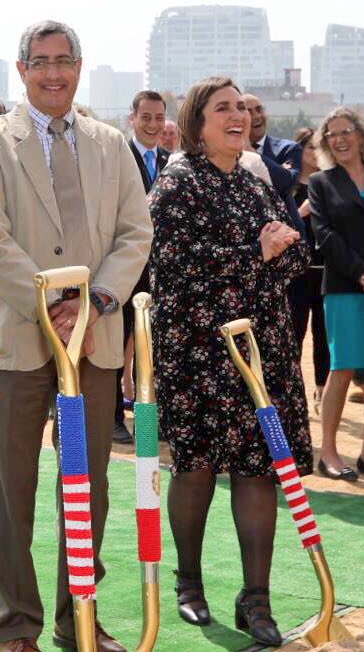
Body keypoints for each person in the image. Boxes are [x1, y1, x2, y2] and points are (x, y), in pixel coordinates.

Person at [0, 20, 151, 652]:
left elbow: (136, 233)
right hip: (18, 339)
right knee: (10, 492)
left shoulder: (111, 143)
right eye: (40, 61)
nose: (53, 72)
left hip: (93, 342)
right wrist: (52, 301)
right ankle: (16, 627)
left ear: (79, 66)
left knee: (88, 487)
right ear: (21, 70)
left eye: (63, 60)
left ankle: (81, 618)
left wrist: (95, 302)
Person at [148, 76, 309, 648]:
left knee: (258, 468)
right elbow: (173, 268)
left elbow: (295, 252)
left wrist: (280, 249)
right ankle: (188, 584)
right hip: (199, 353)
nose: (238, 115)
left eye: (241, 107)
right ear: (197, 121)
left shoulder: (256, 183)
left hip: (261, 350)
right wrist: (255, 252)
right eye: (224, 108)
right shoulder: (177, 184)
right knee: (195, 470)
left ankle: (255, 598)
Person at [307, 107, 364, 483]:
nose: (339, 139)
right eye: (331, 134)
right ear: (325, 142)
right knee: (341, 368)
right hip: (346, 288)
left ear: (360, 135)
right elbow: (324, 236)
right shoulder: (320, 182)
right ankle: (328, 451)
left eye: (346, 131)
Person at [116, 89, 169, 442]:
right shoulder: (117, 156)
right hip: (124, 268)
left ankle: (155, 422)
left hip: (162, 271)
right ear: (132, 118)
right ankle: (113, 420)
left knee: (157, 347)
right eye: (145, 117)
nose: (152, 124)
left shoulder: (173, 161)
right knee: (117, 344)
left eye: (158, 117)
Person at [288, 128, 331, 413]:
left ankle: (322, 392)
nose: (316, 154)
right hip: (297, 274)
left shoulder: (329, 185)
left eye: (320, 148)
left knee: (324, 337)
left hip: (328, 272)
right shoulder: (288, 186)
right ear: (299, 151)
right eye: (310, 148)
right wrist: (301, 212)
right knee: (294, 335)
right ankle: (293, 396)